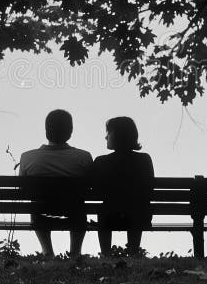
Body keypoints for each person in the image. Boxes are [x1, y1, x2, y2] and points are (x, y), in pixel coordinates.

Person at [18, 109, 92, 257]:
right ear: (70, 131)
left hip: (40, 213)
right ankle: (75, 252)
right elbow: (91, 187)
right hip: (75, 213)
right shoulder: (84, 157)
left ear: (46, 130)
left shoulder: (27, 157)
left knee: (36, 205)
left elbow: (22, 189)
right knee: (79, 207)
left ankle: (47, 251)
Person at [90, 116, 154, 256]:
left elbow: (96, 192)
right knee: (137, 207)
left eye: (108, 133)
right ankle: (133, 252)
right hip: (139, 217)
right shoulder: (144, 160)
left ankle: (106, 254)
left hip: (109, 217)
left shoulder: (101, 162)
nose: (105, 137)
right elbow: (149, 189)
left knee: (104, 210)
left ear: (116, 135)